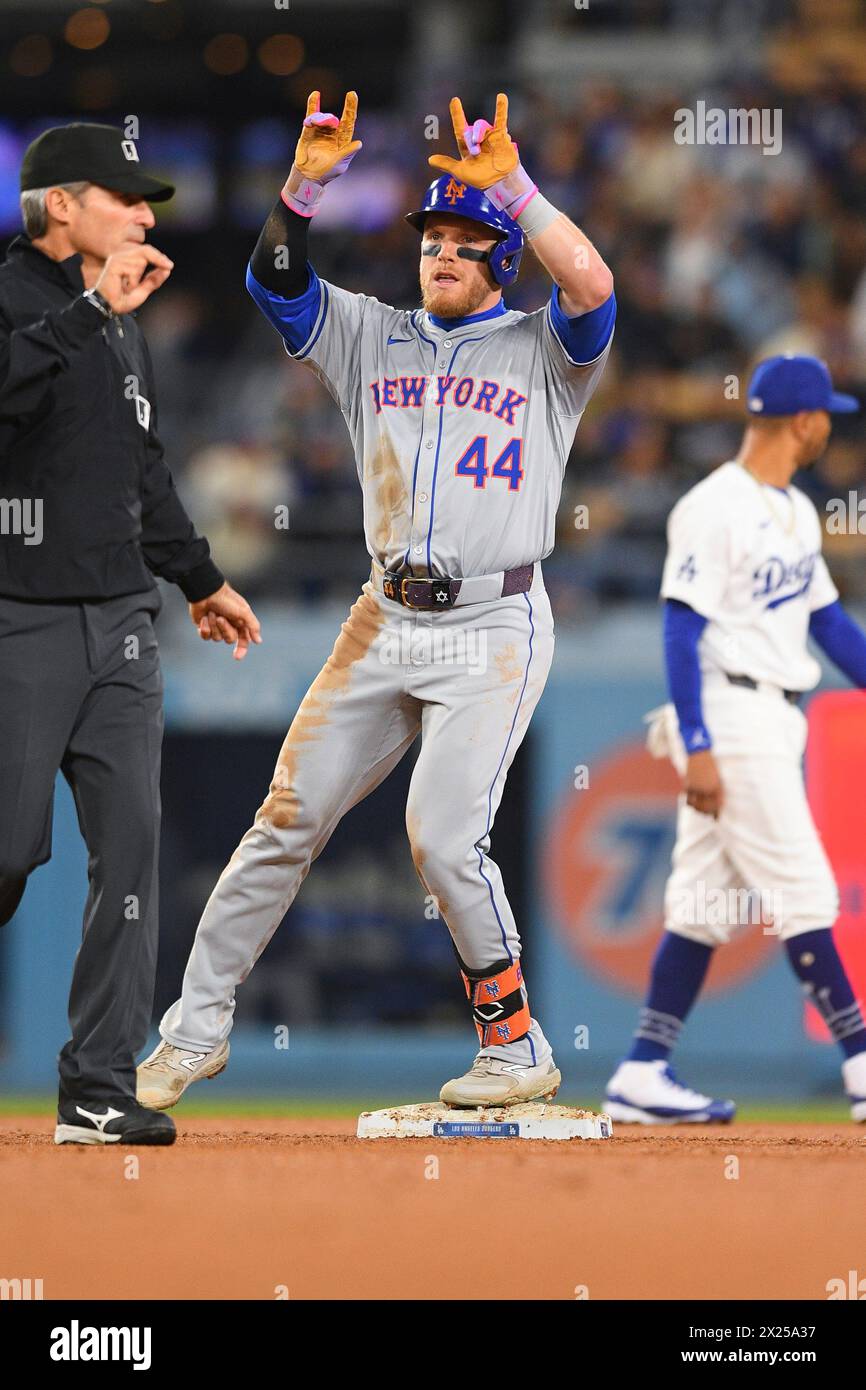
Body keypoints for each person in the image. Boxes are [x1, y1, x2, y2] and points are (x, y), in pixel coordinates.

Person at [137, 90, 616, 1111]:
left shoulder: (545, 352)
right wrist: (304, 185)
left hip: (493, 621)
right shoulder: (370, 335)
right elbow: (273, 281)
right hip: (382, 617)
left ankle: (513, 1042)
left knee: (441, 837)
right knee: (284, 817)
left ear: (501, 256)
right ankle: (193, 1029)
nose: (440, 251)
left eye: (463, 238)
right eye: (430, 236)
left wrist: (516, 190)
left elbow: (591, 278)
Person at [0, 123, 261, 1146]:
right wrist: (87, 312)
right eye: (124, 196)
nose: (147, 214)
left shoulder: (120, 323)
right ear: (60, 204)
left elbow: (140, 469)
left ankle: (98, 1086)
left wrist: (198, 576)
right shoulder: (35, 301)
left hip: (121, 622)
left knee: (132, 857)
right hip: (17, 613)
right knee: (11, 850)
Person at [604, 355, 866, 1124]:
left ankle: (643, 1070)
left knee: (702, 904)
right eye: (828, 416)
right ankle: (860, 1064)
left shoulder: (792, 510)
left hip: (770, 713)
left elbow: (829, 626)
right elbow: (680, 630)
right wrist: (699, 741)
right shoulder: (713, 505)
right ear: (805, 421)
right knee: (805, 890)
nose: (831, 427)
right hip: (730, 714)